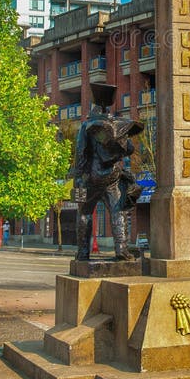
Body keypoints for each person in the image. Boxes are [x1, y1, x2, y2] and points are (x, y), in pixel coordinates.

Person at [74, 83, 144, 262]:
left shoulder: (86, 126)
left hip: (91, 177)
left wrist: (79, 178)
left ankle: (83, 253)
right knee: (117, 210)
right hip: (112, 175)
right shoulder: (119, 125)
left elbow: (81, 153)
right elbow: (129, 149)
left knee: (84, 212)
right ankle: (121, 249)